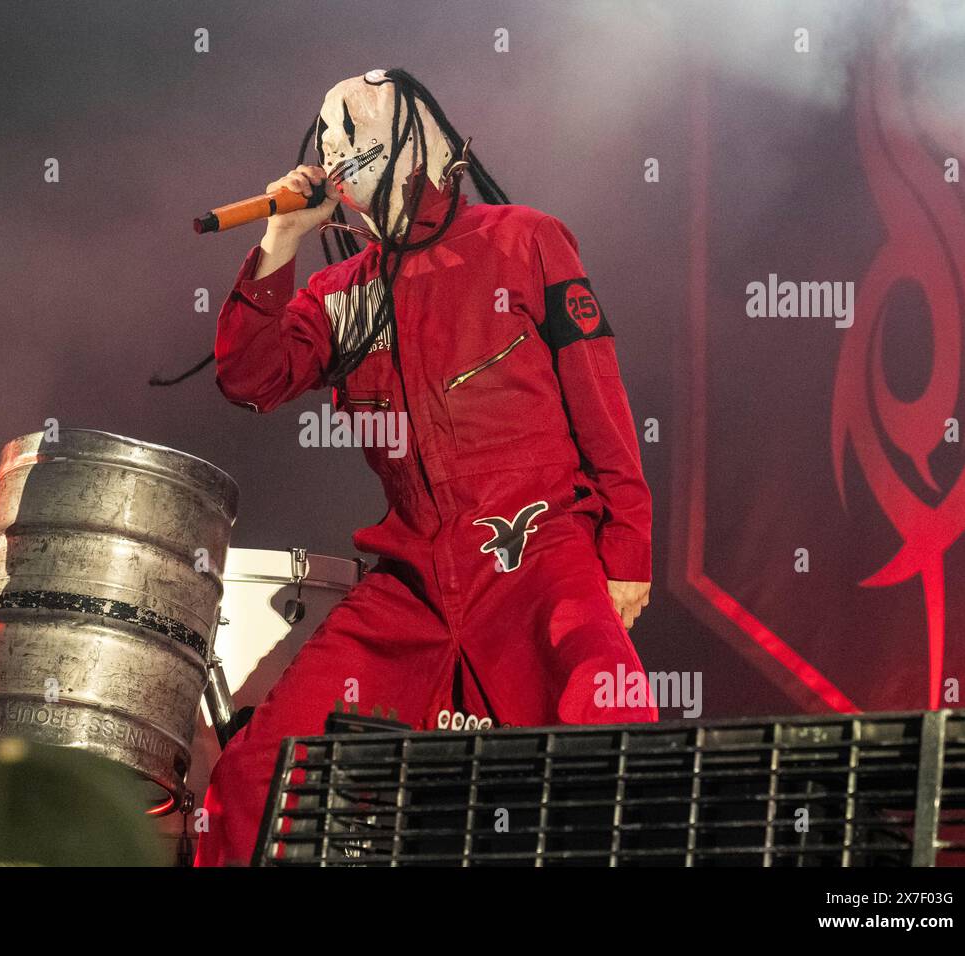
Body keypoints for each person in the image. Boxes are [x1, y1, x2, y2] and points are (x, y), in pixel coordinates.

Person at [197, 70, 655, 866]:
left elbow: (601, 400)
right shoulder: (344, 292)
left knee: (613, 745)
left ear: (422, 137)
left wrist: (627, 547)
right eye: (324, 131)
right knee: (254, 782)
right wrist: (281, 243)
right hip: (408, 582)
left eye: (353, 119)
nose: (333, 143)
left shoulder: (527, 239)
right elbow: (249, 377)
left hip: (536, 557)